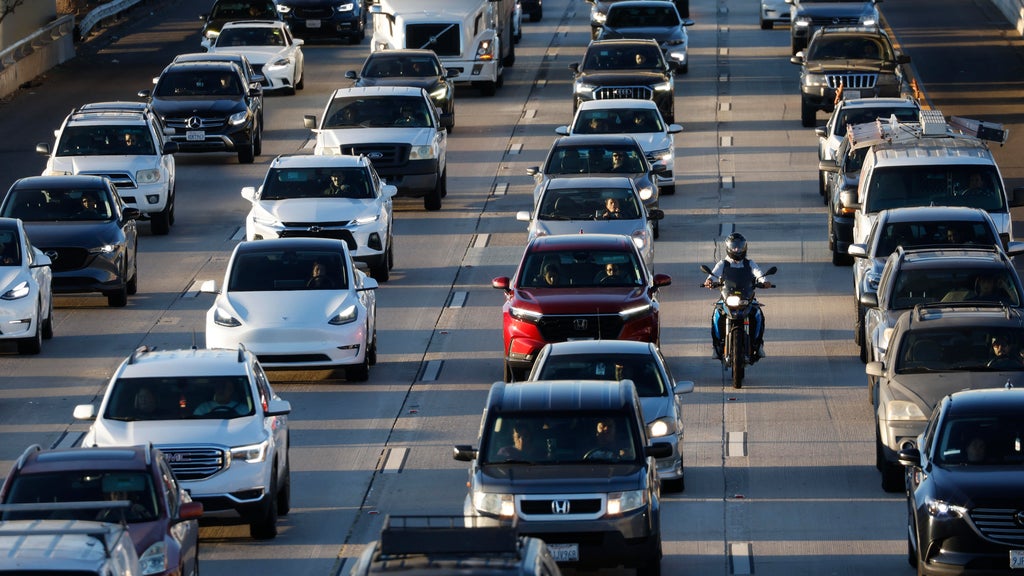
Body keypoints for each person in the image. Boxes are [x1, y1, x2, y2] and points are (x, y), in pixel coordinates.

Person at [703, 232, 773, 361]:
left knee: (758, 314)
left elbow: (759, 273)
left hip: (746, 295)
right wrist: (709, 281)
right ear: (729, 248)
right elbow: (712, 275)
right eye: (734, 247)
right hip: (727, 296)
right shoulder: (722, 263)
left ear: (744, 247)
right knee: (716, 314)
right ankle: (716, 346)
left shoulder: (749, 263)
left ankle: (759, 343)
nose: (737, 249)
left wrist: (764, 282)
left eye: (739, 246)